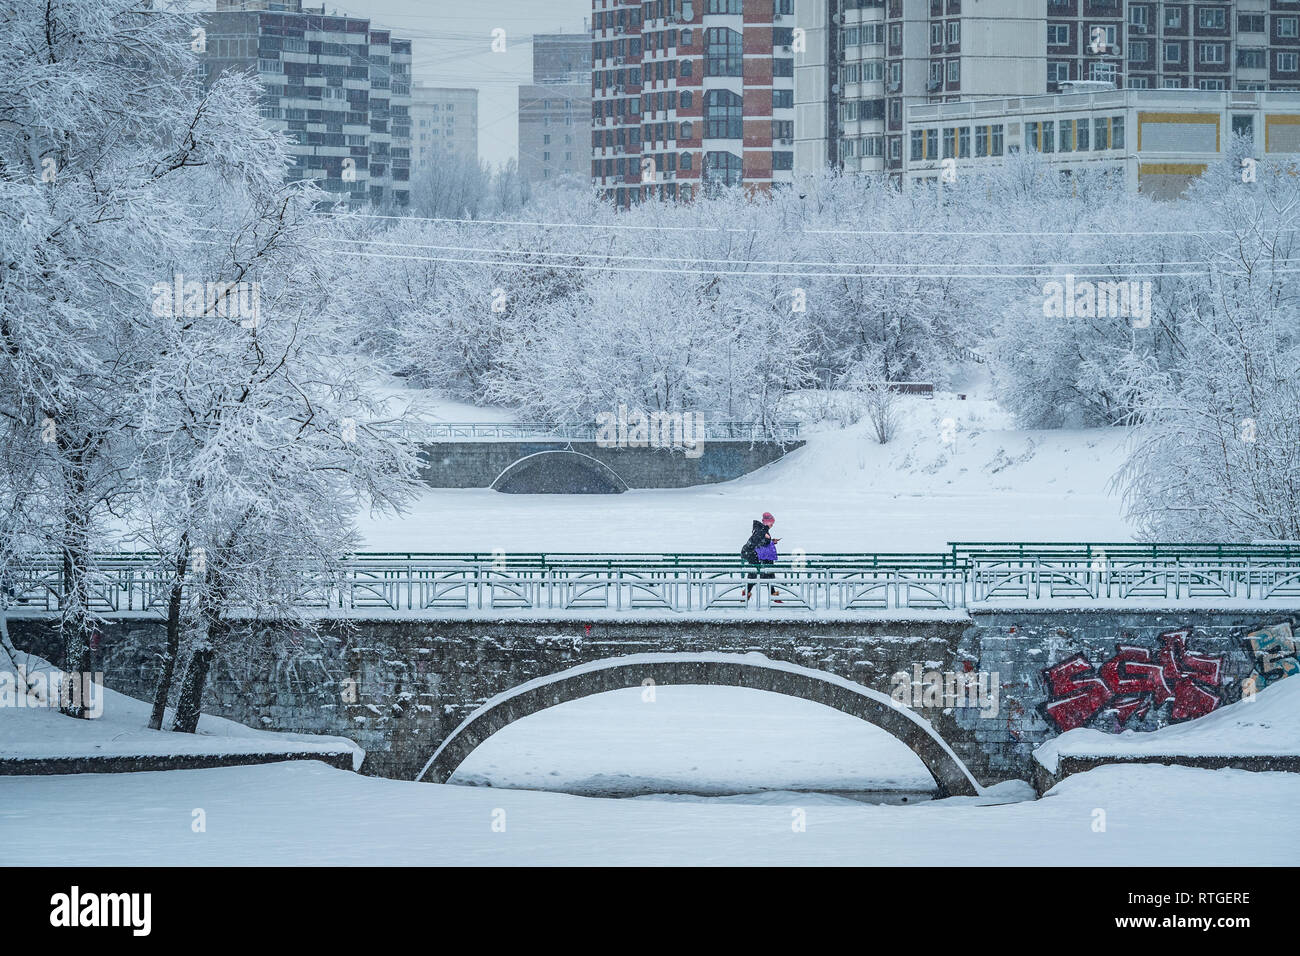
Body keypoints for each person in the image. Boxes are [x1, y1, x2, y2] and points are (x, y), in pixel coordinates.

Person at [740, 512, 781, 601]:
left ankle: (746, 593)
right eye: (771, 523)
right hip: (757, 555)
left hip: (760, 555)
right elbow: (757, 542)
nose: (772, 525)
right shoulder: (761, 530)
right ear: (766, 522)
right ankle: (773, 596)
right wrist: (768, 540)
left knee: (761, 574)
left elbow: (761, 542)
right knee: (762, 573)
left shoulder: (762, 529)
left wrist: (771, 541)